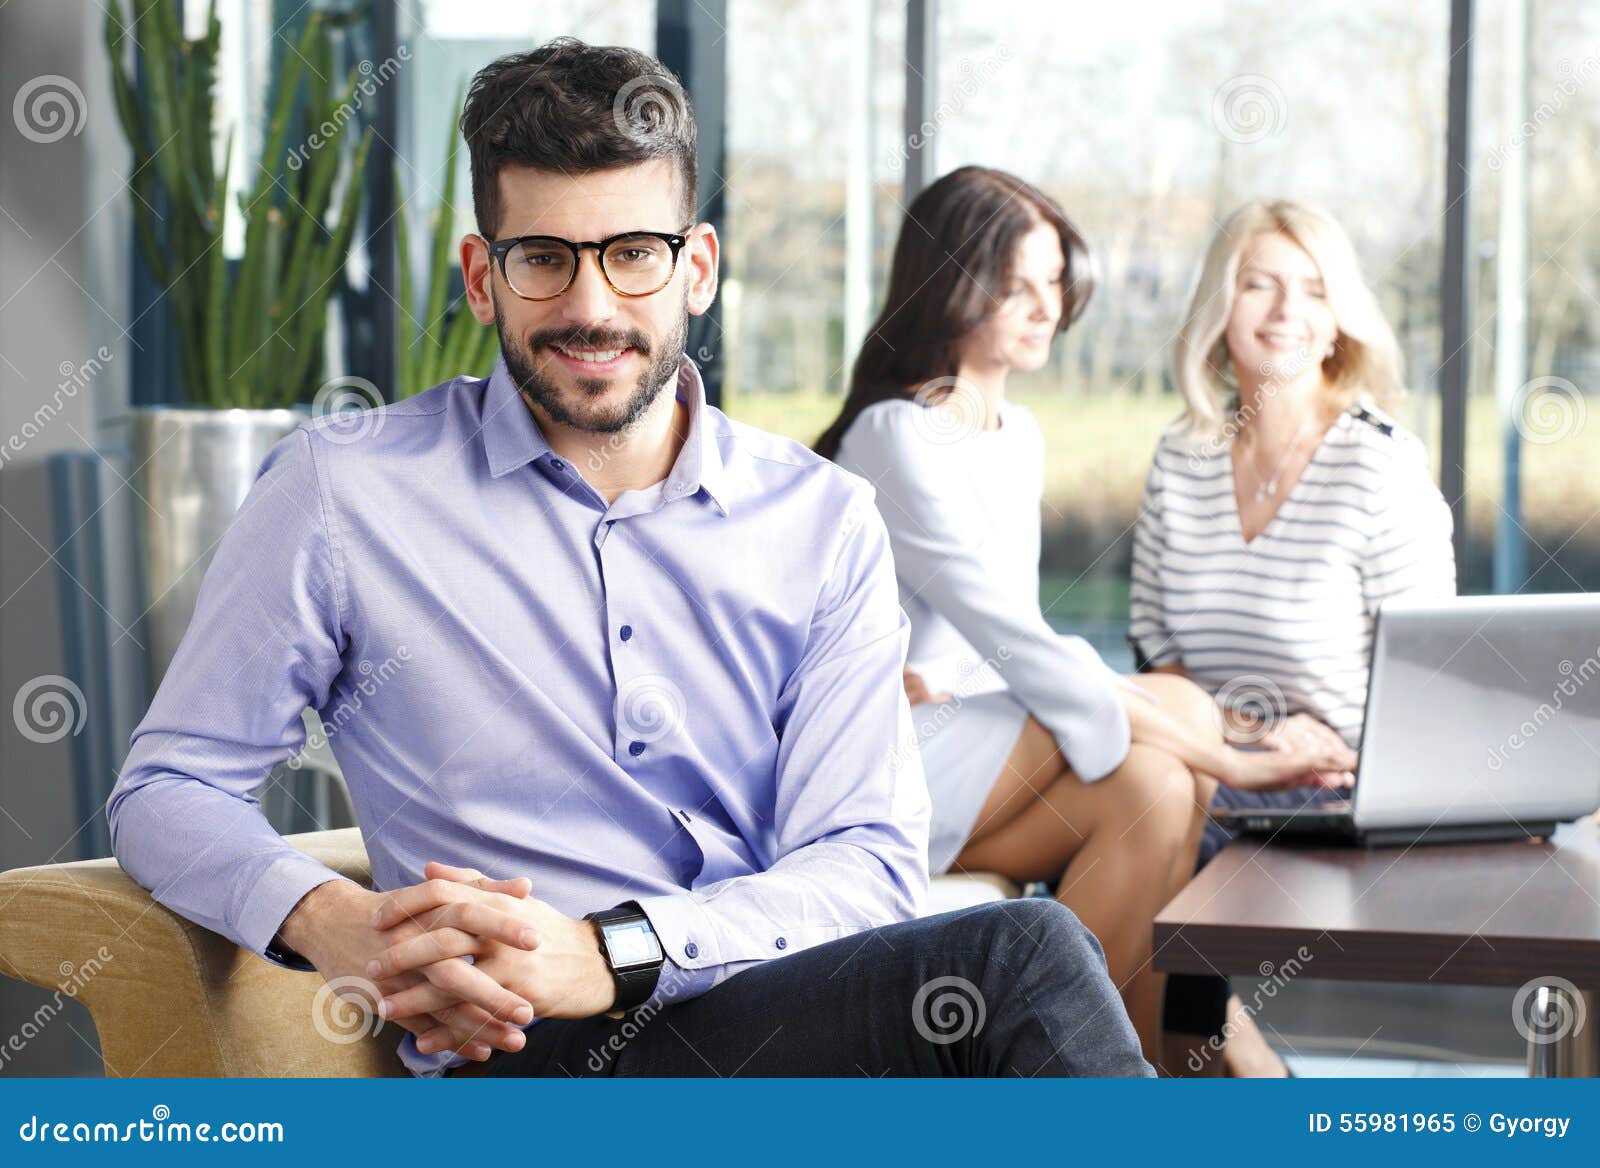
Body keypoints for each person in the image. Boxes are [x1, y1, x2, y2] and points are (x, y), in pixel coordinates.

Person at [106, 39, 1152, 1079]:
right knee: (1030, 959)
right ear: (483, 277)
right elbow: (167, 785)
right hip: (522, 1059)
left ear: (695, 267)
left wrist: (615, 949)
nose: (591, 306)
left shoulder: (823, 519)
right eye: (544, 257)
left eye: (632, 253)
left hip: (764, 1014)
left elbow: (870, 859)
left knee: (1018, 979)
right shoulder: (341, 492)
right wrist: (334, 921)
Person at [816, 167, 1353, 1069]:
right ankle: (1148, 1084)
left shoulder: (1015, 433)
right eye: (1014, 284)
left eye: (1053, 281)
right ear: (947, 283)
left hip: (964, 724)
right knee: (1179, 726)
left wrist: (1197, 749)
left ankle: (1115, 1078)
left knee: (1152, 788)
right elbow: (1020, 644)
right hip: (893, 751)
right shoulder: (896, 435)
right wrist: (1229, 754)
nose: (1043, 306)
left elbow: (1002, 652)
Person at [1129, 199, 1456, 1073]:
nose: (1285, 311)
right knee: (1144, 796)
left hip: (1342, 785)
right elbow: (1155, 649)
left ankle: (1181, 1077)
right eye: (1257, 285)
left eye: (1312, 289)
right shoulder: (1183, 456)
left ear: (1338, 318)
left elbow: (1434, 673)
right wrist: (1244, 736)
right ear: (1218, 311)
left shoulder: (1379, 463)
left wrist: (1303, 750)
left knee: (1157, 828)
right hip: (1218, 768)